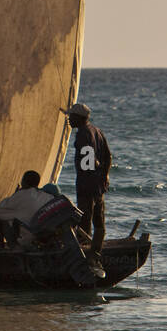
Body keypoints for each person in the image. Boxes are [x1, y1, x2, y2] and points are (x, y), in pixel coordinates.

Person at [63, 102, 111, 260]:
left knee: (85, 218)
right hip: (98, 184)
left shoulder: (83, 133)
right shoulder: (97, 131)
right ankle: (97, 248)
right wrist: (104, 176)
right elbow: (108, 156)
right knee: (99, 219)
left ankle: (85, 251)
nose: (69, 119)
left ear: (79, 118)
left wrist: (88, 177)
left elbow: (88, 161)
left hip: (87, 183)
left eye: (71, 116)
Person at [0, 171, 66, 249]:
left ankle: (2, 247)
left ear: (23, 182)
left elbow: (0, 210)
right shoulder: (48, 197)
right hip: (44, 236)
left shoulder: (21, 195)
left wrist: (15, 194)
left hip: (28, 237)